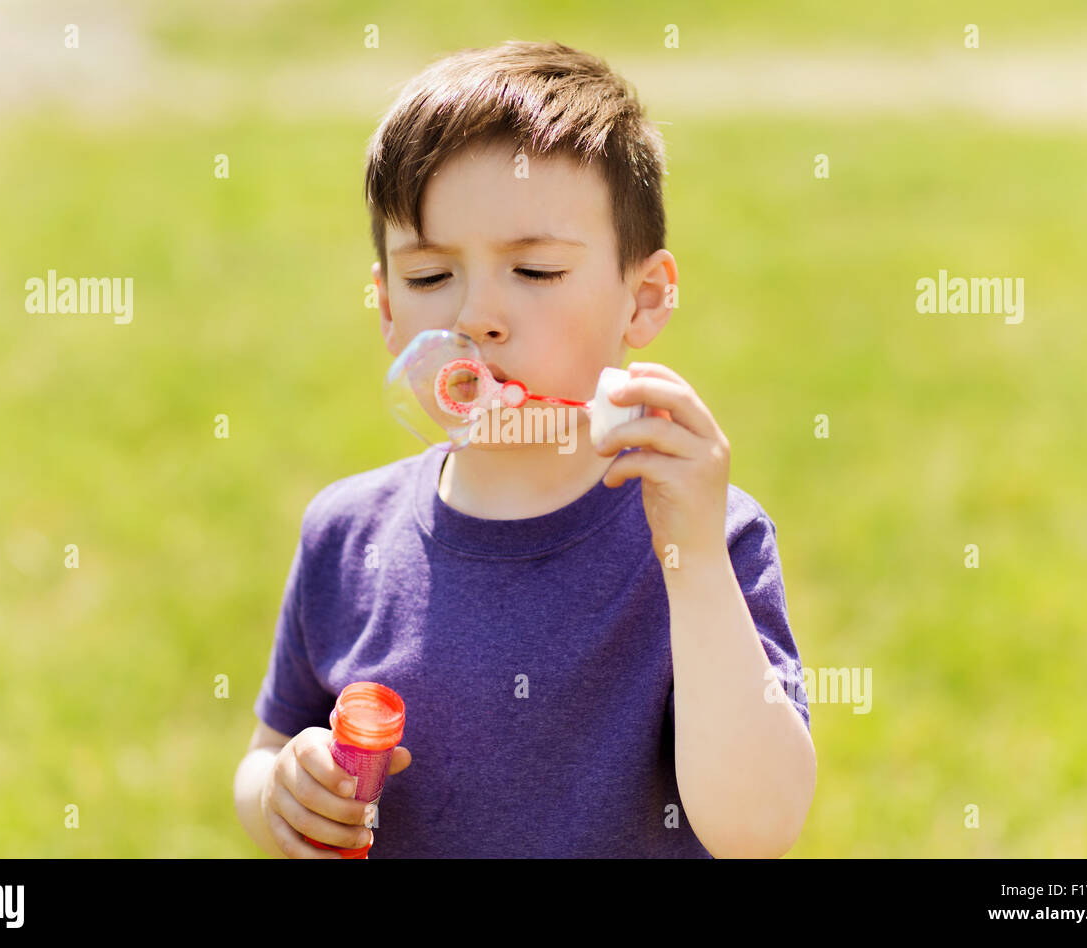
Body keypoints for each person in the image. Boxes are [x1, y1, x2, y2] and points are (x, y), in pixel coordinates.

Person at [233, 40, 814, 858]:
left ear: (642, 299)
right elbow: (267, 749)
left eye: (535, 271)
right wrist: (282, 792)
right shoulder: (346, 535)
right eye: (431, 277)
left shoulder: (707, 539)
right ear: (386, 310)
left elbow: (757, 828)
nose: (476, 316)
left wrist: (694, 563)